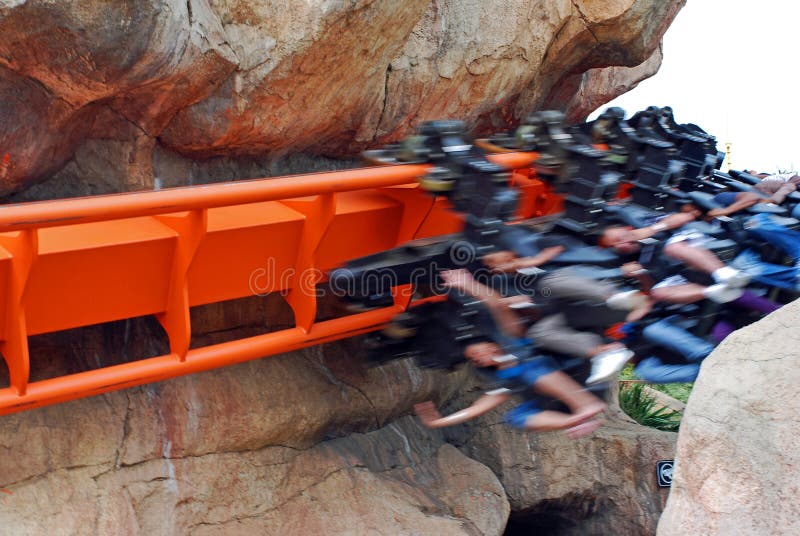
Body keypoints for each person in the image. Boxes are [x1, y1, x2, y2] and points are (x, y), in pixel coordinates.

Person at [413, 339, 607, 438]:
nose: (477, 359)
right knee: (515, 417)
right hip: (556, 404)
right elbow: (476, 409)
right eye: (473, 359)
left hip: (579, 381)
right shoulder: (504, 379)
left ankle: (585, 405)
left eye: (477, 352)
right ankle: (574, 421)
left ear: (492, 344)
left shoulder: (519, 345)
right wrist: (439, 422)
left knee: (529, 370)